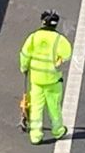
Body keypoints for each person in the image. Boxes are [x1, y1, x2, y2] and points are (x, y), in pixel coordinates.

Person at [19, 10, 73, 145]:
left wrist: (24, 68)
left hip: (36, 79)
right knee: (54, 107)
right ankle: (58, 130)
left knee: (36, 107)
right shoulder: (59, 39)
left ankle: (35, 135)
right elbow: (67, 54)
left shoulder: (33, 37)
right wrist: (58, 62)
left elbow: (24, 54)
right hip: (52, 79)